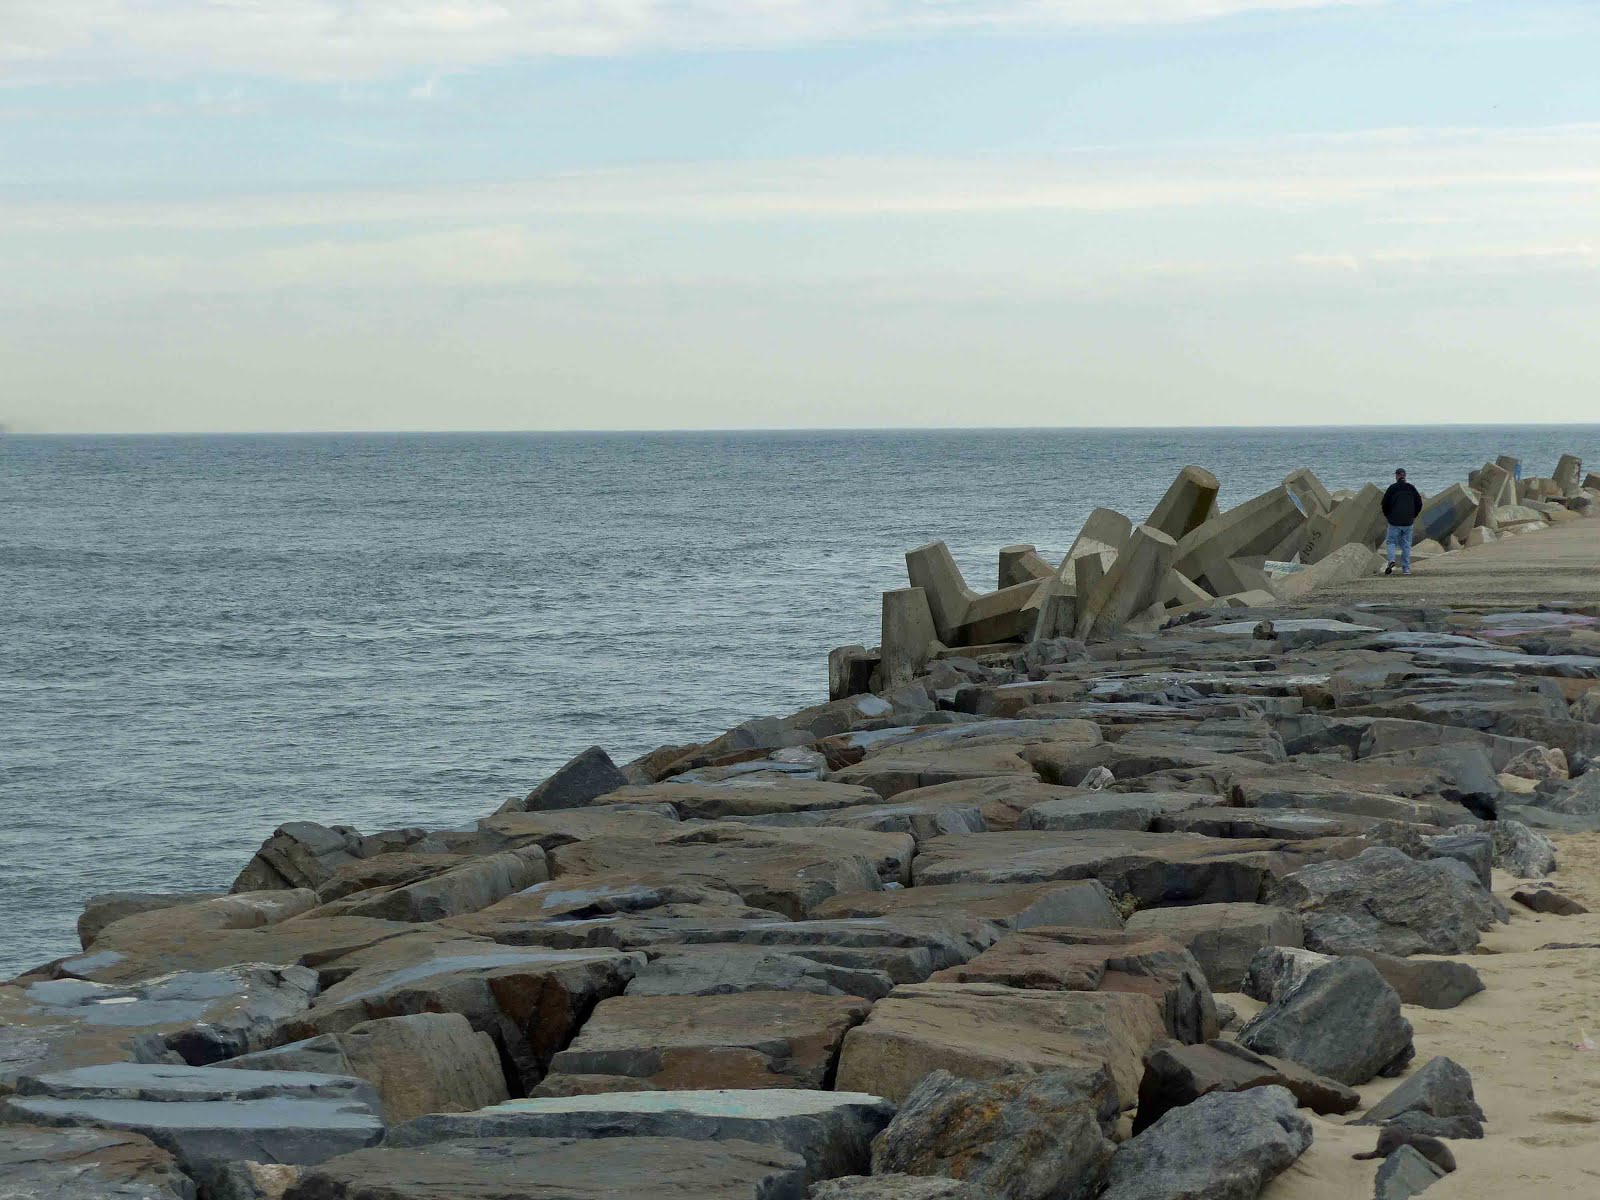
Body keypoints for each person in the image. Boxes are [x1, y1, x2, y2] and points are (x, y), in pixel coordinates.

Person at [1381, 467, 1424, 575]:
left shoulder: (1392, 488)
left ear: (1396, 476)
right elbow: (1419, 503)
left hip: (1394, 521)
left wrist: (1388, 516)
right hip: (1408, 521)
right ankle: (1406, 569)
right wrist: (1414, 515)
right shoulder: (1411, 488)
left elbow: (1384, 504)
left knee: (1391, 542)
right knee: (1406, 545)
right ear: (1405, 476)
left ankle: (1391, 561)